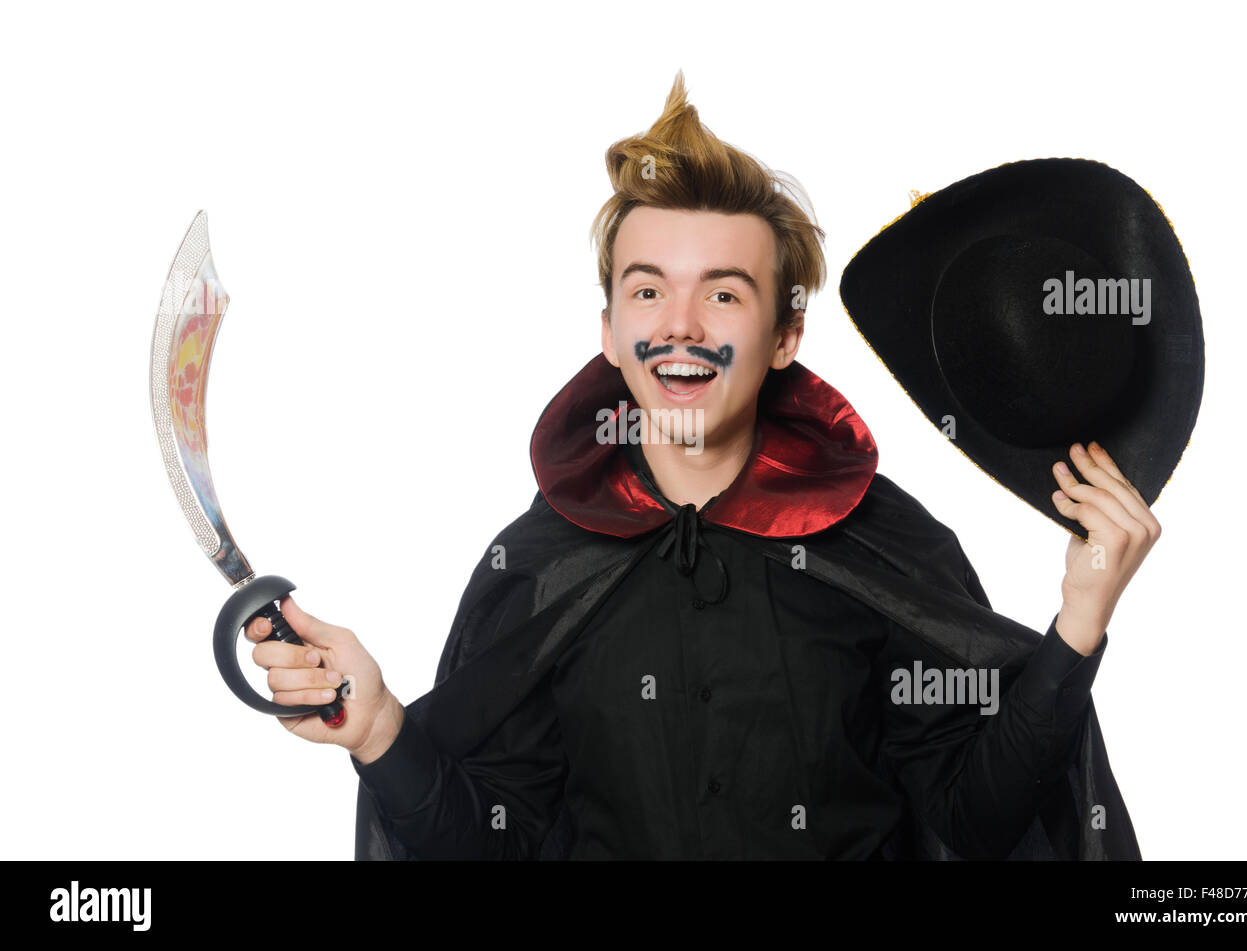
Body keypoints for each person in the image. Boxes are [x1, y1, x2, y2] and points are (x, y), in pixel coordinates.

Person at [246, 71, 1156, 860]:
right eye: (648, 289)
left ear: (786, 334)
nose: (680, 325)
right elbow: (494, 843)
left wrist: (1076, 628)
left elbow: (974, 821)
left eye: (723, 292)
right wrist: (378, 729)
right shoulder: (535, 568)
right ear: (609, 329)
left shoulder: (887, 545)